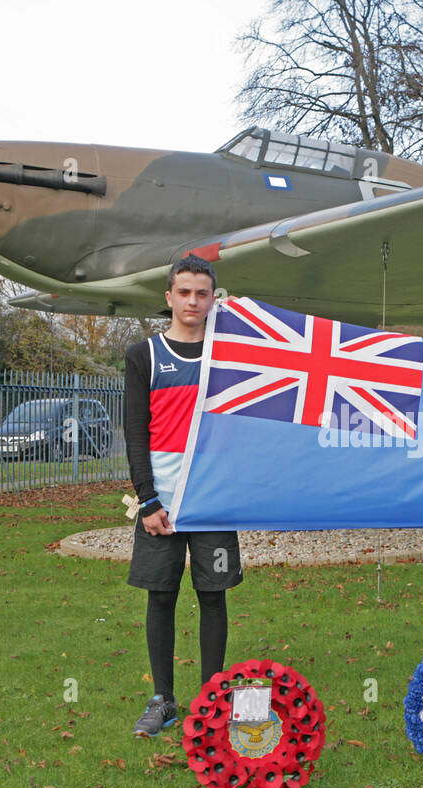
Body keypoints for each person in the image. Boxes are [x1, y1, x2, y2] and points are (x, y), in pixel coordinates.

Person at [124, 254, 242, 737]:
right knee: (161, 597)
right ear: (169, 297)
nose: (194, 300)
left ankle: (213, 698)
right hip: (163, 505)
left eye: (203, 293)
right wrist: (148, 500)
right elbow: (135, 432)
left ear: (214, 299)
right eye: (185, 292)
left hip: (212, 501)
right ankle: (163, 701)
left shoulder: (230, 355)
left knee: (213, 599)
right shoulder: (143, 355)